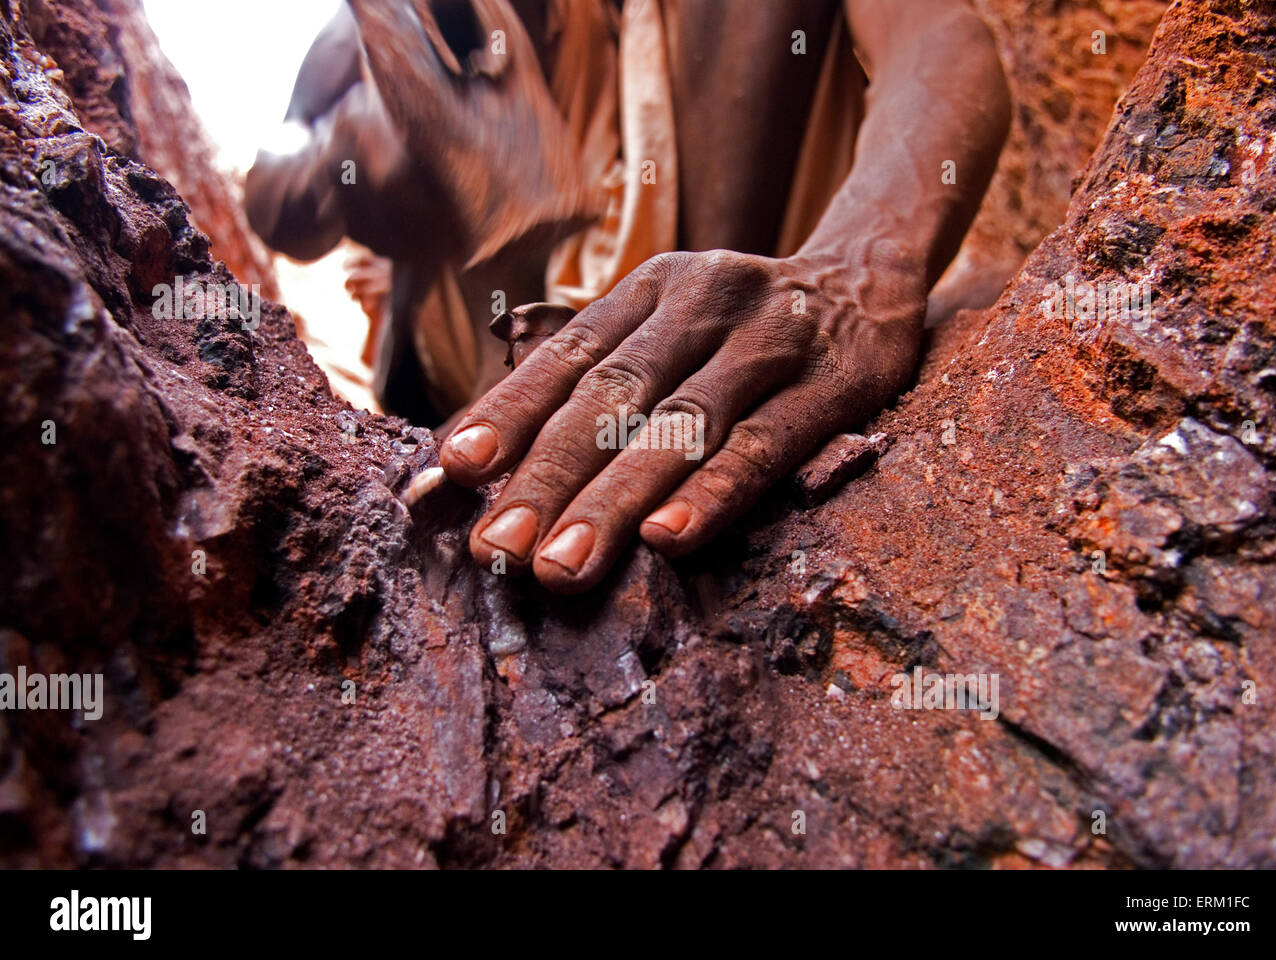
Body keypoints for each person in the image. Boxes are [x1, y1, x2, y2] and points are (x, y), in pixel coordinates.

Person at [246, 0, 1011, 593]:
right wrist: (336, 152)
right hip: (464, 389)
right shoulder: (404, 18)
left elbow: (938, 43)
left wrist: (853, 274)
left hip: (727, 351)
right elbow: (275, 182)